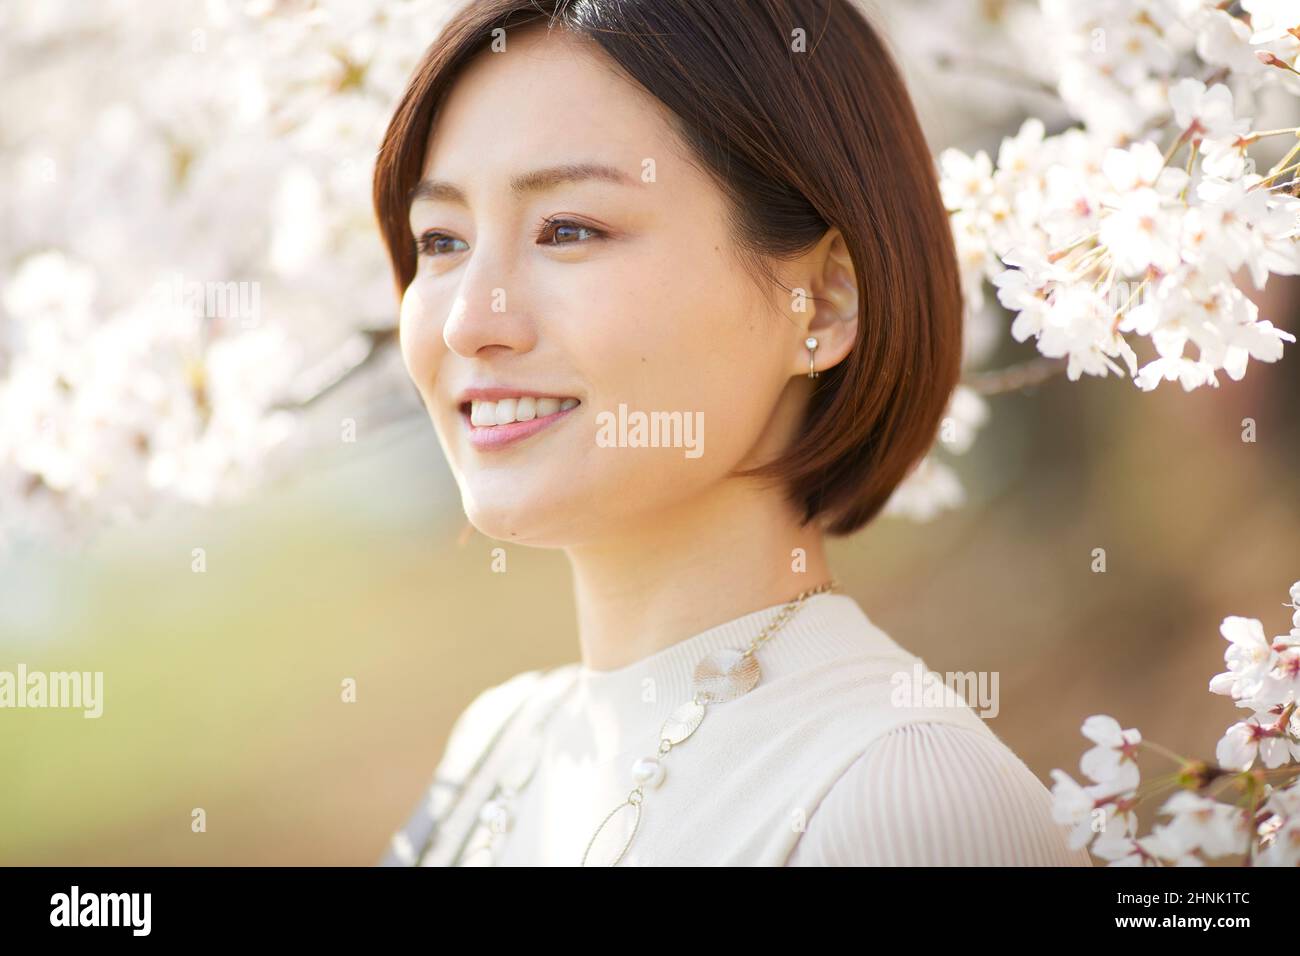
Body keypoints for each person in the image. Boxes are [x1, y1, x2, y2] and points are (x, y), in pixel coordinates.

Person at [371, 0, 1092, 866]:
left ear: (822, 303)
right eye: (441, 240)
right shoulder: (497, 747)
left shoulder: (901, 795)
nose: (467, 326)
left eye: (569, 229)